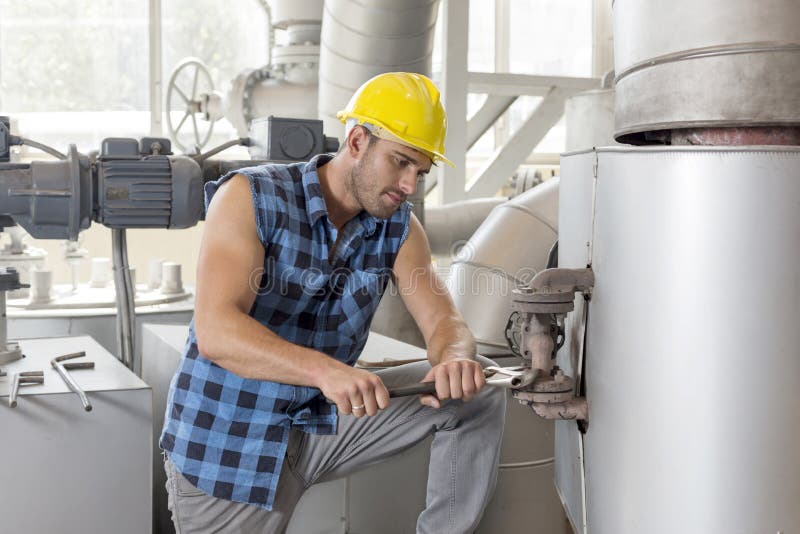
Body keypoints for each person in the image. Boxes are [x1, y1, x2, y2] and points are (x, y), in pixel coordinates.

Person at [160, 72, 506, 534]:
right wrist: (326, 371)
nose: (408, 186)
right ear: (358, 140)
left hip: (319, 424)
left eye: (420, 172)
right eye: (400, 162)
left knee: (475, 394)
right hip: (231, 442)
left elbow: (443, 319)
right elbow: (217, 332)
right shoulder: (249, 197)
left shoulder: (399, 229)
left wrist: (456, 358)